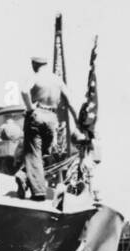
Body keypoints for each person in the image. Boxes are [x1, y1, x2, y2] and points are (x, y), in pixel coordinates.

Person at [16, 56, 82, 199]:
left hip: (37, 114)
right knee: (44, 154)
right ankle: (23, 176)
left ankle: (38, 192)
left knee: (33, 153)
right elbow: (71, 101)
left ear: (34, 64)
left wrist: (29, 108)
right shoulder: (57, 80)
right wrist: (78, 123)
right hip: (52, 119)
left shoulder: (36, 76)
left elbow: (23, 90)